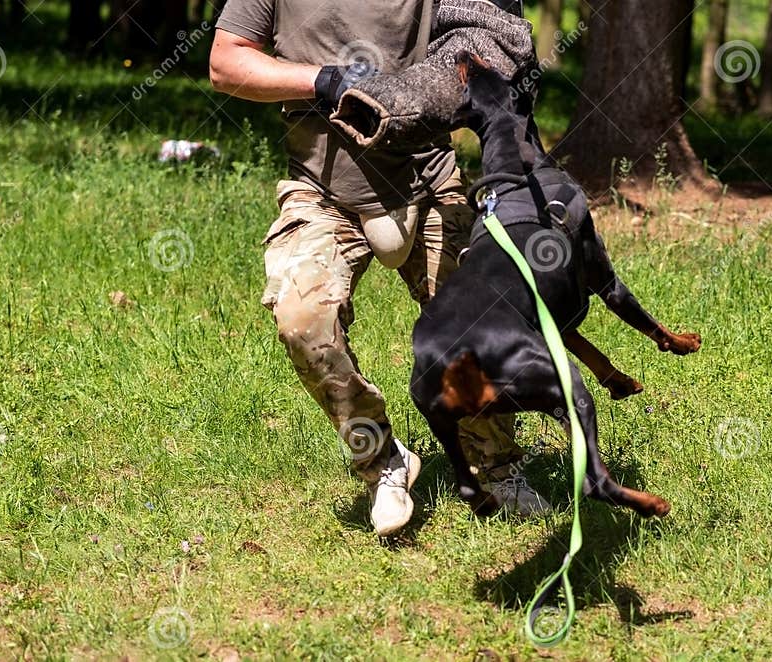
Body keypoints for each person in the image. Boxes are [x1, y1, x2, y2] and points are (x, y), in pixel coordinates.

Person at [209, 0, 549, 537]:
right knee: (302, 317)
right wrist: (320, 80)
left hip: (430, 180)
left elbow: (484, 36)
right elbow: (227, 64)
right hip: (322, 191)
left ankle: (498, 467)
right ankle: (383, 463)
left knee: (482, 321)